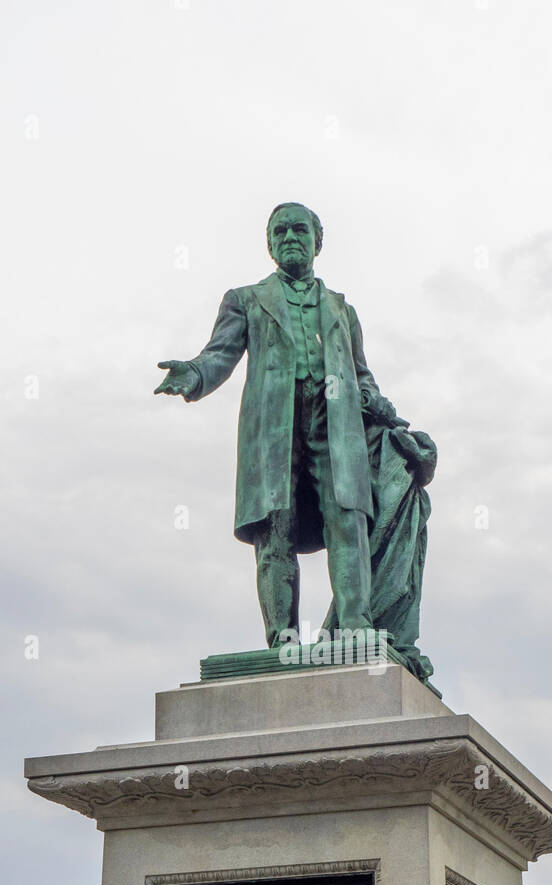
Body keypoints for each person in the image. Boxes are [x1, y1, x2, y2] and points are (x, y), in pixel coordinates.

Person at [155, 203, 404, 648]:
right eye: (280, 231)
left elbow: (361, 375)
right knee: (275, 531)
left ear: (317, 241)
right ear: (269, 244)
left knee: (347, 522)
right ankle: (283, 640)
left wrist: (382, 409)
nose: (290, 237)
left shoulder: (341, 309)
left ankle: (355, 627)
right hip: (272, 430)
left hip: (335, 428)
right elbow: (219, 354)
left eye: (299, 230)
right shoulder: (246, 300)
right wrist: (193, 374)